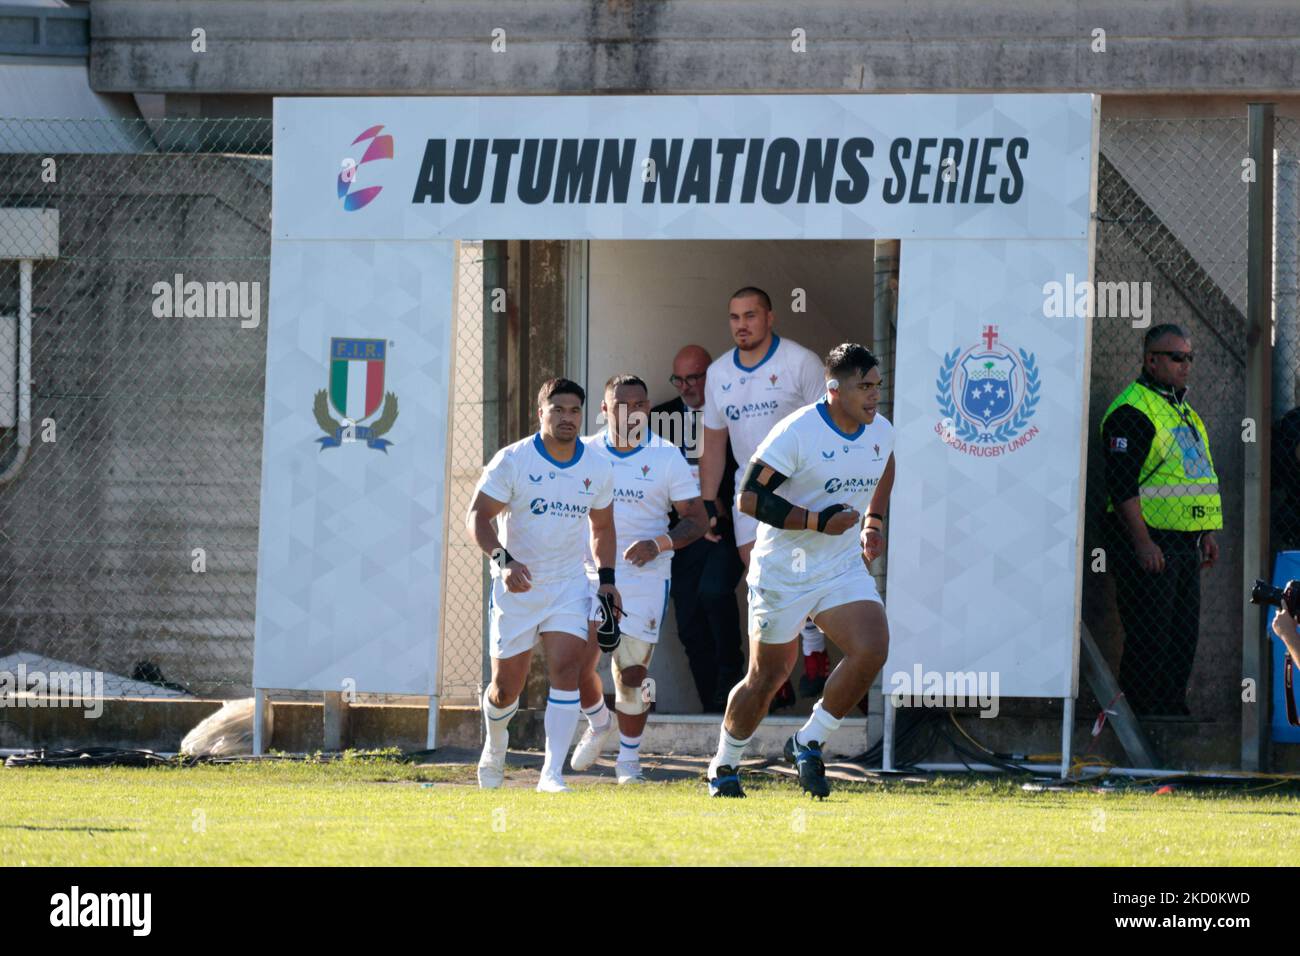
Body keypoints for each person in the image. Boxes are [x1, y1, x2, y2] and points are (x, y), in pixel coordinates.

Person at [707, 344, 895, 799]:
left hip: (841, 564)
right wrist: (816, 521)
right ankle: (725, 763)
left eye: (877, 387)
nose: (873, 396)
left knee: (872, 648)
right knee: (768, 677)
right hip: (783, 570)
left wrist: (873, 521)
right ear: (833, 389)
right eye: (863, 387)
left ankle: (808, 740)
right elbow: (748, 497)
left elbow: (885, 464)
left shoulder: (881, 430)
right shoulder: (797, 432)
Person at [465, 378, 620, 792]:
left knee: (567, 671)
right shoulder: (512, 460)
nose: (567, 418)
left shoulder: (596, 465)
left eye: (574, 411)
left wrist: (606, 582)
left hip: (568, 586)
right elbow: (477, 518)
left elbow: (602, 528)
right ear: (541, 413)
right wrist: (503, 562)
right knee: (505, 689)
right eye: (558, 409)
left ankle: (551, 774)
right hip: (517, 587)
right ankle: (496, 745)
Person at [698, 287, 833, 709]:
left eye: (751, 315)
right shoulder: (719, 373)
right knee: (765, 581)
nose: (743, 324)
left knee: (804, 576)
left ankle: (813, 656)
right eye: (735, 317)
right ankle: (774, 673)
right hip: (750, 493)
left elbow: (827, 425)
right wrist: (707, 504)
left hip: (802, 488)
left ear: (771, 318)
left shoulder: (801, 362)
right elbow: (715, 443)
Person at [569, 374, 709, 782]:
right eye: (620, 404)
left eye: (638, 404)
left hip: (644, 577)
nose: (630, 412)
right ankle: (598, 722)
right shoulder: (583, 453)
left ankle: (628, 762)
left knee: (630, 675)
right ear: (604, 409)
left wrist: (659, 543)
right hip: (589, 573)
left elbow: (697, 520)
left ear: (648, 408)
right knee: (575, 665)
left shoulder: (666, 456)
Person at [1100, 323, 1221, 718]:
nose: (1186, 365)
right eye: (1176, 357)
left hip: (1183, 544)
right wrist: (1142, 542)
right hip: (1150, 543)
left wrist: (1204, 532)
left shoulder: (1181, 409)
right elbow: (1121, 487)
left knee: (1181, 639)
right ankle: (1140, 722)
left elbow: (1190, 475)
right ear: (1152, 361)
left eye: (1189, 357)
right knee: (1149, 639)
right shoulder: (1132, 411)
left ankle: (1171, 715)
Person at [651, 345, 746, 711]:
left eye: (695, 377)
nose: (687, 386)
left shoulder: (731, 412)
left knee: (714, 592)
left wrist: (717, 500)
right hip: (682, 534)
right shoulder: (661, 419)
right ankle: (712, 707)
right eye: (680, 379)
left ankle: (731, 673)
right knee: (689, 623)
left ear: (713, 374)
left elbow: (747, 464)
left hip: (726, 527)